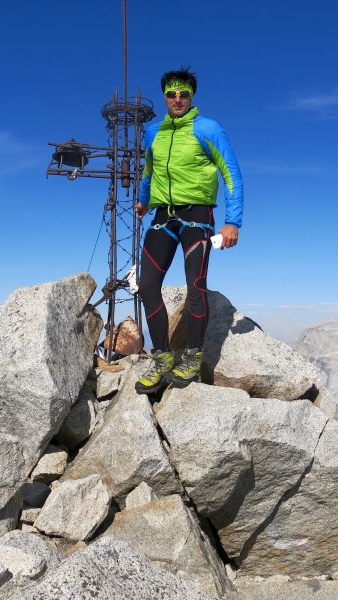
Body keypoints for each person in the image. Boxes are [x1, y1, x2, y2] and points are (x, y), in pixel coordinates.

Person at [134, 67, 244, 393]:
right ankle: (164, 357)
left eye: (183, 94)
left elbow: (231, 174)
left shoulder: (208, 128)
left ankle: (193, 357)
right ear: (164, 96)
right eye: (171, 94)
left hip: (198, 215)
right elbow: (147, 171)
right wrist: (142, 203)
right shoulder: (154, 132)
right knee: (147, 285)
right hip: (162, 217)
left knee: (195, 285)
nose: (178, 99)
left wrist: (233, 221)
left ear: (191, 96)